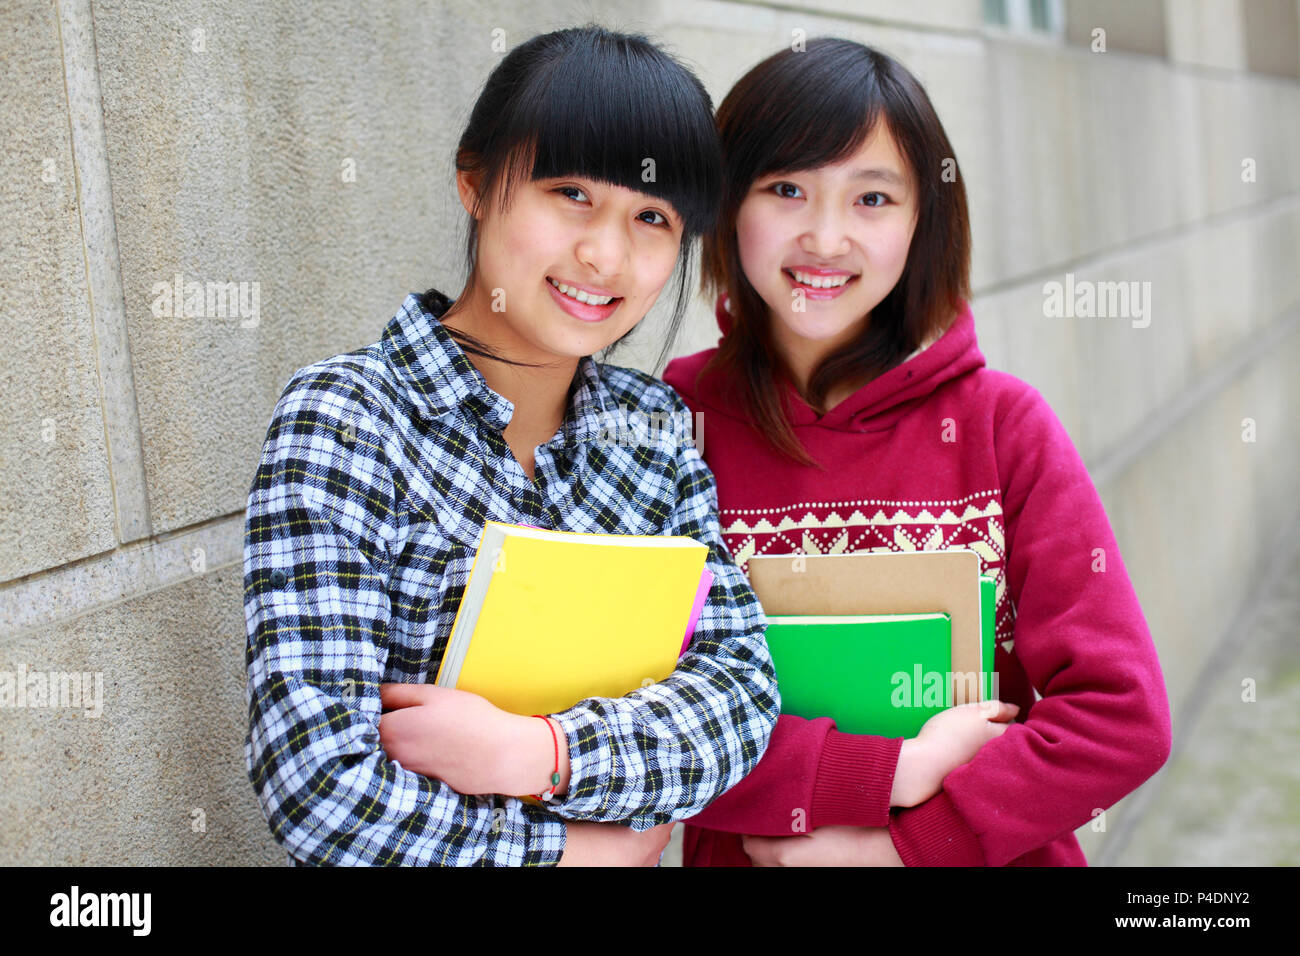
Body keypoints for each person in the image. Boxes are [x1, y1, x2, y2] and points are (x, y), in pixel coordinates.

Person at [243, 25, 779, 867]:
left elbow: (739, 697)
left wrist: (540, 755)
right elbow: (319, 783)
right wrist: (573, 852)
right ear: (475, 181)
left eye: (651, 217)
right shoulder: (348, 419)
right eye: (569, 194)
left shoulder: (651, 428)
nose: (605, 255)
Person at [662, 37, 1172, 866]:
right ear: (724, 205)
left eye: (872, 199)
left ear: (922, 222)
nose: (825, 239)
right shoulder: (669, 428)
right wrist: (870, 776)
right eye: (786, 189)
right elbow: (628, 724)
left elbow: (1120, 718)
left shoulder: (1003, 427)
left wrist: (903, 848)